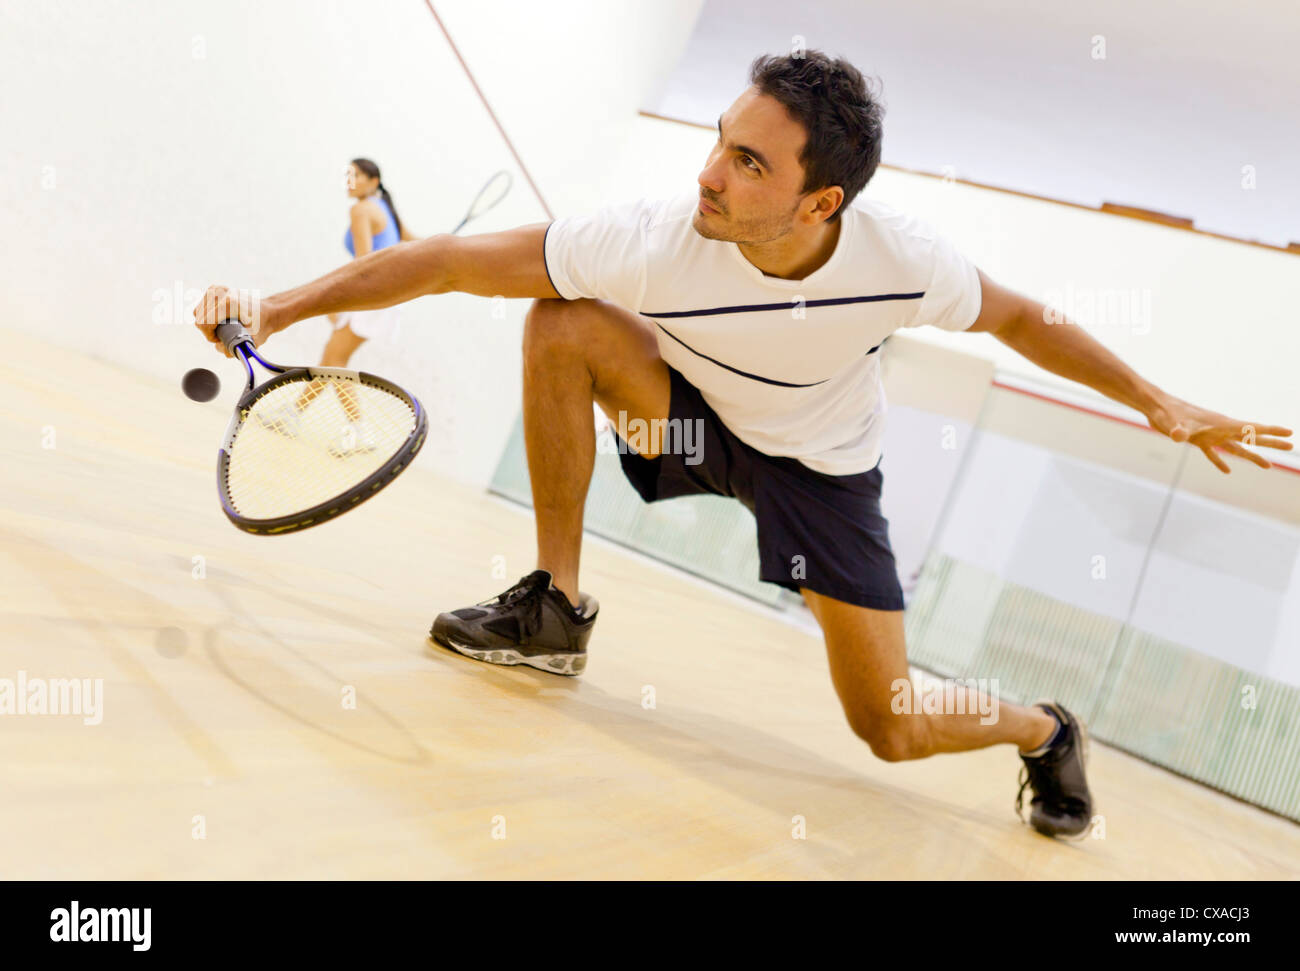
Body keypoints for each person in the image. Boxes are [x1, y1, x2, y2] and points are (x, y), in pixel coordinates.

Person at [194, 52, 1292, 840]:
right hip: (693, 428)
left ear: (820, 200)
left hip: (820, 484)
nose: (711, 174)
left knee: (892, 724)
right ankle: (554, 605)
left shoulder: (902, 259)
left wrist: (1160, 400)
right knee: (562, 318)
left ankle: (1046, 727)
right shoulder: (654, 236)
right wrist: (278, 304)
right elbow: (444, 258)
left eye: (748, 164)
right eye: (719, 142)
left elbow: (1019, 319)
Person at [258, 158, 416, 451]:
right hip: (386, 297)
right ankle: (294, 414)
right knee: (332, 357)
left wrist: (336, 301)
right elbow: (417, 246)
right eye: (347, 175)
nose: (349, 181)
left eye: (355, 175)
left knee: (336, 361)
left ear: (373, 181)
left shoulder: (361, 210)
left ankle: (359, 431)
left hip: (371, 295)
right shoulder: (388, 211)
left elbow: (364, 265)